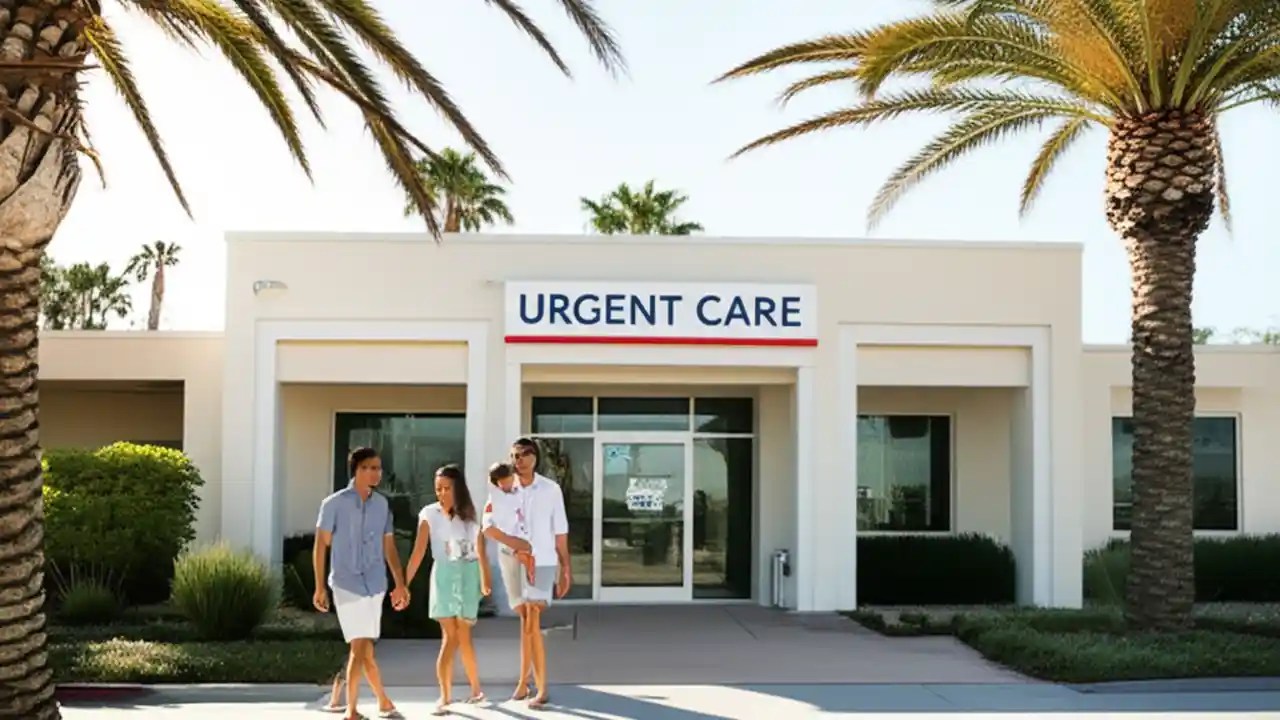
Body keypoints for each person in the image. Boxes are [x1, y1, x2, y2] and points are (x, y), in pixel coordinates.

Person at [313, 446, 409, 720]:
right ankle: (352, 710)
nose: (374, 473)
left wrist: (399, 584)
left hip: (375, 584)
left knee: (365, 647)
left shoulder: (382, 505)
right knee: (359, 645)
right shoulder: (333, 503)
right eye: (368, 467)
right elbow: (321, 546)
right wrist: (319, 587)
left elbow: (389, 547)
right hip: (346, 583)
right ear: (355, 470)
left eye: (377, 468)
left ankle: (383, 702)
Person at [406, 464, 491, 716]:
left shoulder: (469, 516)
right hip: (443, 574)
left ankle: (476, 690)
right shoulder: (428, 514)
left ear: (458, 489)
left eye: (447, 488)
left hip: (467, 574)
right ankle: (444, 696)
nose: (442, 493)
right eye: (438, 489)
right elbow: (418, 552)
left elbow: (481, 551)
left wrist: (485, 580)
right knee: (449, 636)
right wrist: (403, 583)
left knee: (463, 635)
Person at [501, 438, 571, 709]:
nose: (518, 461)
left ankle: (541, 688)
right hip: (512, 560)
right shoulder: (505, 489)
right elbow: (497, 526)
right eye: (514, 456)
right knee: (525, 620)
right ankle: (523, 681)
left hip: (541, 561)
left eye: (523, 455)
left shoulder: (551, 490)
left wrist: (565, 568)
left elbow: (560, 531)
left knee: (533, 619)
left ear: (534, 458)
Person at [482, 461, 537, 585]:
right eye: (504, 482)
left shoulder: (518, 492)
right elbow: (487, 528)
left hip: (523, 537)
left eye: (510, 480)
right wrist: (512, 543)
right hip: (507, 547)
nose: (508, 484)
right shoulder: (494, 500)